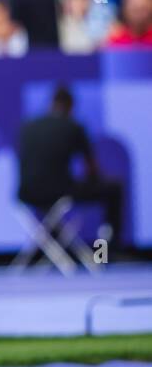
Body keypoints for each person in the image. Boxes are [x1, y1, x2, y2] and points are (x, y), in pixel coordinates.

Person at [17, 85, 126, 252]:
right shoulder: (73, 126)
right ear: (70, 106)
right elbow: (92, 170)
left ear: (51, 103)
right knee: (113, 190)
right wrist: (93, 182)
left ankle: (57, 245)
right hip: (61, 192)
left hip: (26, 193)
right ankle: (107, 252)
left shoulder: (28, 127)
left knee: (57, 208)